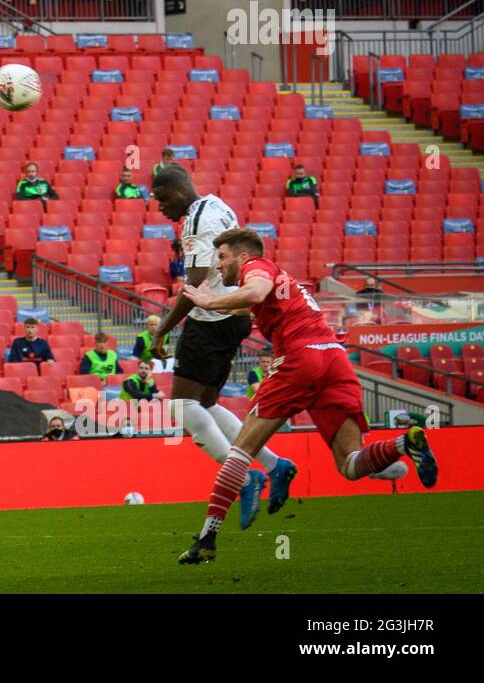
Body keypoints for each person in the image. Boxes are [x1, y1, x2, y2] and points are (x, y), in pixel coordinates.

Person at [177, 227, 437, 564]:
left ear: (242, 257)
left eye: (223, 257)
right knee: (350, 464)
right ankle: (406, 443)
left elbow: (254, 293)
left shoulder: (257, 268)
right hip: (334, 359)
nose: (218, 264)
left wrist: (209, 301)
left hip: (299, 359)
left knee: (240, 452)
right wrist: (219, 307)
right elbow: (251, 305)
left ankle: (207, 540)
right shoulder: (281, 279)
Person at [150, 165, 294, 529]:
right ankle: (276, 465)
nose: (161, 208)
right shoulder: (218, 206)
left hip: (211, 321)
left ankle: (245, 480)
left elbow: (195, 284)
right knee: (208, 404)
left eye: (162, 198)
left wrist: (162, 329)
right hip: (237, 314)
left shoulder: (197, 220)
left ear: (180, 189)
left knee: (183, 407)